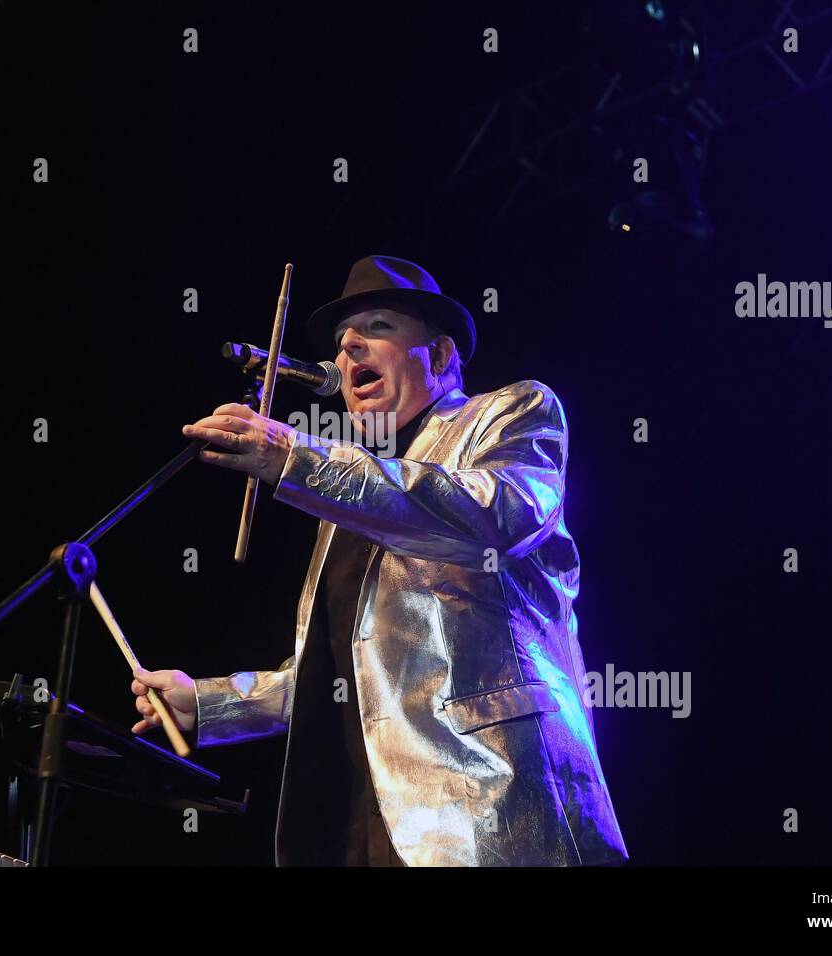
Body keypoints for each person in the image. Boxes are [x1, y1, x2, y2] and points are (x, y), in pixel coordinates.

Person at [131, 255, 629, 867]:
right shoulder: (342, 503)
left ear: (441, 356)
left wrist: (299, 456)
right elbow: (344, 678)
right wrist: (210, 703)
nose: (349, 349)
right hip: (364, 823)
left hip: (490, 799)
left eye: (378, 326)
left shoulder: (509, 413)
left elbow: (498, 522)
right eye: (341, 344)